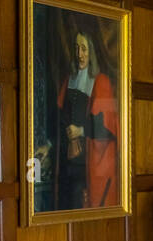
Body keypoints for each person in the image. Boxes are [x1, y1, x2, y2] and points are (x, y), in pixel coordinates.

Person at [55, 30, 118, 209]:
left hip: (89, 162)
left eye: (84, 49)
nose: (79, 54)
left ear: (91, 52)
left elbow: (107, 127)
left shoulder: (101, 82)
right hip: (69, 159)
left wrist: (80, 130)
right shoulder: (69, 80)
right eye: (77, 48)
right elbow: (61, 118)